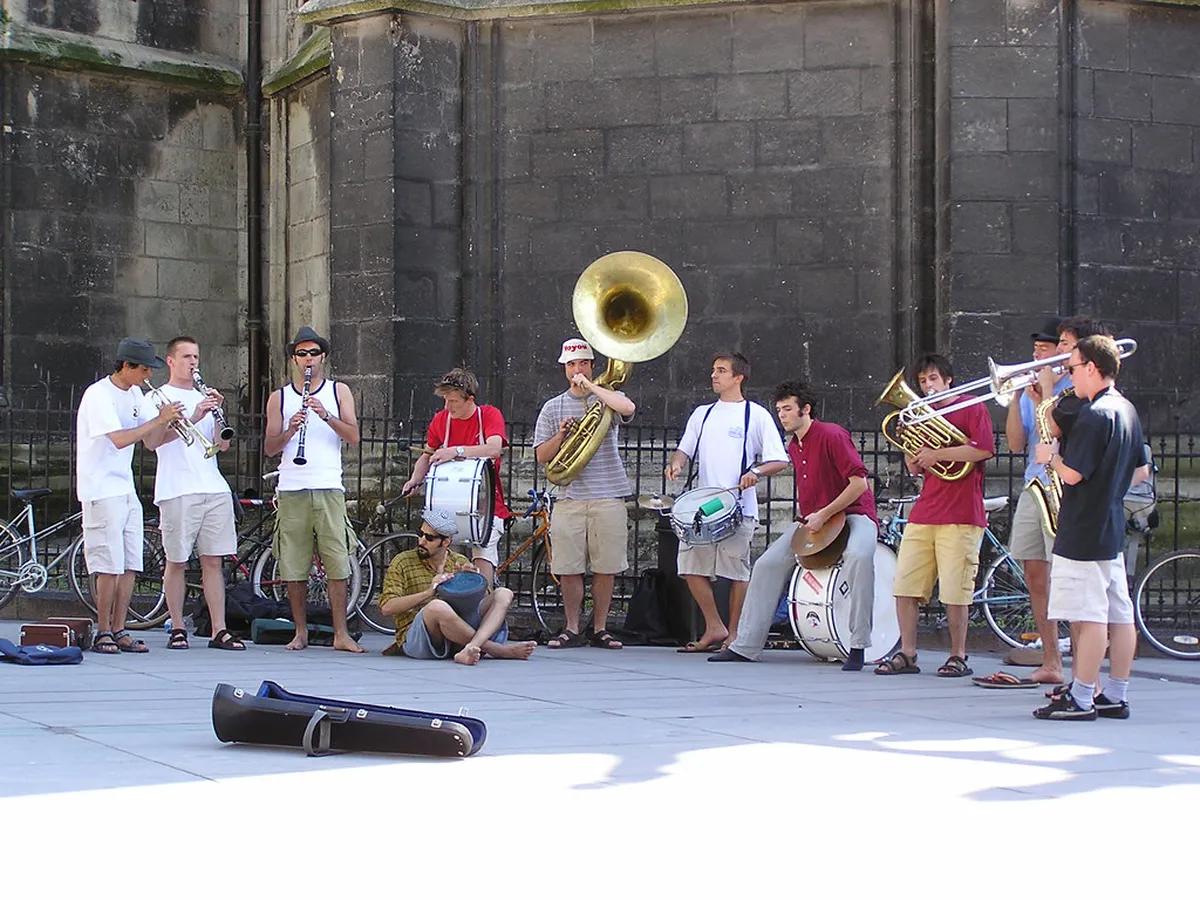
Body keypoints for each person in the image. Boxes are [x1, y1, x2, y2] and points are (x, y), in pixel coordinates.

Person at [709, 381, 879, 670]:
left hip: (854, 514)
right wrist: (818, 518)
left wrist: (824, 513)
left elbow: (859, 484)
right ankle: (746, 645)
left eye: (788, 409)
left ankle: (858, 646)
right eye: (779, 410)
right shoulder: (793, 445)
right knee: (766, 565)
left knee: (859, 556)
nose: (782, 415)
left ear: (806, 409)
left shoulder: (832, 435)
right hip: (815, 521)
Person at [1033, 335, 1150, 720]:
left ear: (1092, 368)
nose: (1070, 376)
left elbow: (1073, 475)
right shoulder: (1126, 409)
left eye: (1073, 367)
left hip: (1083, 528)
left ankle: (1082, 697)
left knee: (1091, 615)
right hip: (1111, 525)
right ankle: (1116, 693)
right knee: (1119, 614)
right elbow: (1140, 471)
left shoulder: (1094, 414)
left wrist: (1051, 458)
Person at [874, 353, 994, 677]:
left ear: (948, 379)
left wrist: (937, 453)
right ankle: (908, 652)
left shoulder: (970, 406)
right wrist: (908, 442)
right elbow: (914, 466)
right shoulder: (919, 414)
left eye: (933, 379)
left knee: (955, 591)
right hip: (926, 510)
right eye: (923, 381)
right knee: (905, 585)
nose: (928, 386)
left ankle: (958, 655)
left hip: (962, 511)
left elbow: (982, 449)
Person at [663, 352, 789, 653]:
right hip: (704, 508)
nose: (714, 376)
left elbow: (779, 459)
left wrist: (754, 472)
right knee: (690, 568)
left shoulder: (755, 415)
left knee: (736, 572)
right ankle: (714, 626)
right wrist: (676, 464)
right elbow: (684, 450)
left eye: (721, 371)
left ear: (738, 377)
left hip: (738, 505)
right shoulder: (702, 413)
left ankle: (734, 634)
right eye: (713, 370)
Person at [75, 338, 182, 654]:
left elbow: (151, 441)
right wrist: (158, 420)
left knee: (130, 561)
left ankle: (120, 628)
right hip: (100, 488)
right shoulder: (99, 395)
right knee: (108, 564)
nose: (149, 375)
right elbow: (119, 440)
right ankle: (103, 630)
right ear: (127, 366)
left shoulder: (136, 393)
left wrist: (183, 421)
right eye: (145, 368)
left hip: (124, 489)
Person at [263, 326, 364, 653]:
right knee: (294, 563)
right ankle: (300, 632)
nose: (308, 359)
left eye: (314, 354)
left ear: (322, 358)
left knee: (336, 560)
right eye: (302, 354)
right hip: (292, 487)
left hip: (328, 486)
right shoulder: (279, 397)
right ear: (293, 358)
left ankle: (341, 633)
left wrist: (327, 416)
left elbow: (353, 436)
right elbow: (269, 447)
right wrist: (290, 430)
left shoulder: (339, 391)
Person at [533, 338, 636, 650]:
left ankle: (601, 628)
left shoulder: (606, 398)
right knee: (568, 567)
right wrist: (563, 434)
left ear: (592, 366)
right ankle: (572, 627)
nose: (577, 370)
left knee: (606, 566)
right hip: (569, 495)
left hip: (609, 493)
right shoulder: (553, 407)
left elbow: (628, 408)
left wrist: (593, 389)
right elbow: (541, 457)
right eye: (571, 365)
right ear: (564, 369)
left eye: (582, 364)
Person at [992, 318, 1071, 684]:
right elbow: (1015, 444)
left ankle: (1082, 663)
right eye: (1034, 350)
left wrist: (1050, 389)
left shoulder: (1073, 388)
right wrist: (1014, 396)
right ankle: (1051, 660)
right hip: (1033, 486)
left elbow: (1053, 434)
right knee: (1034, 574)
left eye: (1044, 348)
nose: (1036, 355)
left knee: (1067, 575)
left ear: (1063, 350)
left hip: (1063, 487)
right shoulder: (1032, 389)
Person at [153, 336, 243, 650]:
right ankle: (177, 627)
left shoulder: (205, 395)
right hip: (178, 488)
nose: (193, 362)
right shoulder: (161, 397)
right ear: (171, 361)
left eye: (196, 356)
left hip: (213, 487)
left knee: (214, 561)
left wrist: (219, 414)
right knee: (176, 561)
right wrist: (194, 416)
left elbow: (223, 444)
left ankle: (219, 629)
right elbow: (153, 441)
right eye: (187, 356)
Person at [376, 509, 536, 664]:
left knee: (503, 593)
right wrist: (428, 592)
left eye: (429, 538)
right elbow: (386, 608)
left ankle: (470, 648)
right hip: (418, 637)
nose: (421, 541)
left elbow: (482, 601)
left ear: (446, 542)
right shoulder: (402, 561)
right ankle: (496, 649)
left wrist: (472, 581)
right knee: (436, 607)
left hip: (457, 632)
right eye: (420, 534)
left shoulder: (458, 561)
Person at [402, 368, 512, 586]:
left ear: (469, 399)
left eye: (453, 401)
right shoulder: (441, 420)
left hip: (486, 505)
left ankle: (482, 605)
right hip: (447, 505)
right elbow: (427, 455)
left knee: (482, 562)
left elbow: (493, 449)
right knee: (444, 562)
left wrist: (456, 451)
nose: (447, 407)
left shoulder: (489, 415)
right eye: (445, 400)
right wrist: (415, 479)